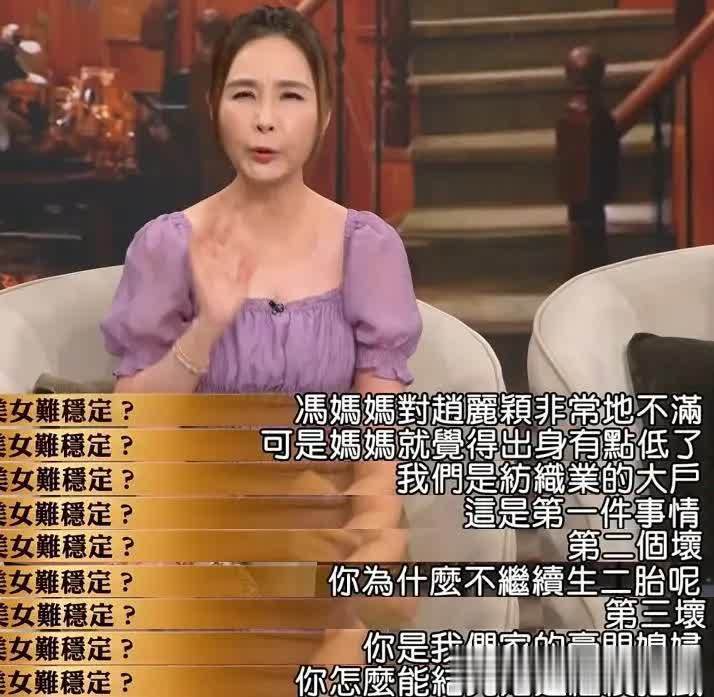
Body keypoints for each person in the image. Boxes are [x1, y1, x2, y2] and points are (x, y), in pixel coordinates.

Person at [100, 4, 422, 658]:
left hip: (329, 523)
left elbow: (379, 442)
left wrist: (368, 550)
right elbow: (134, 429)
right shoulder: (168, 246)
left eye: (290, 96)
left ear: (323, 115)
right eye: (245, 95)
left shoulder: (368, 247)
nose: (266, 119)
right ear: (215, 107)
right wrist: (208, 327)